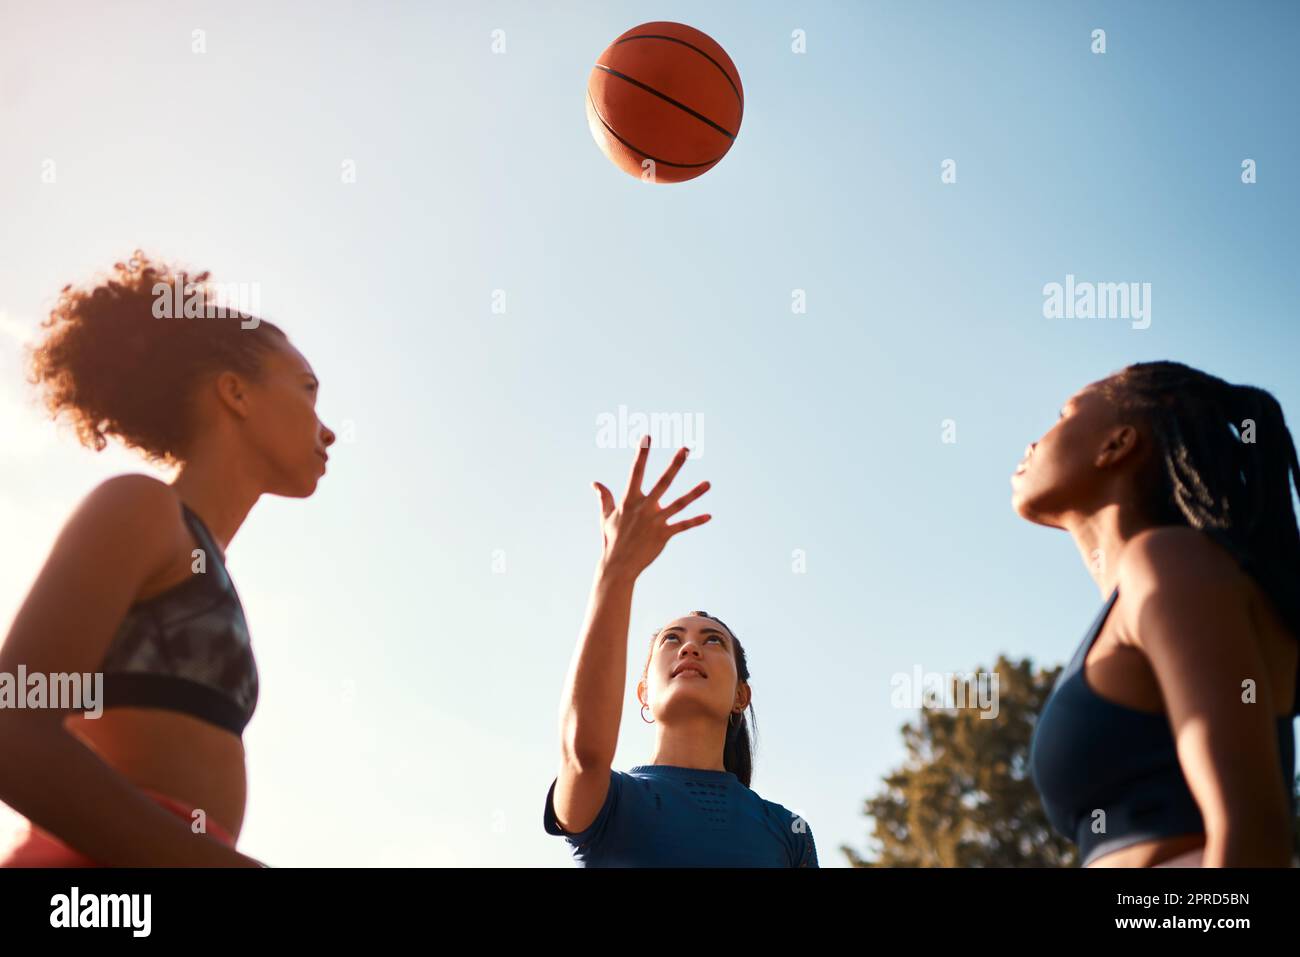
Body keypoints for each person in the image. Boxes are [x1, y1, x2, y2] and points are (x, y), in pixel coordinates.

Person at [0, 253, 334, 866]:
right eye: (308, 390)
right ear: (235, 393)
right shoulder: (141, 507)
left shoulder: (205, 562)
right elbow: (11, 727)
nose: (327, 428)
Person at [1021, 361, 1299, 866]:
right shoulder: (1147, 586)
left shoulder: (1170, 561)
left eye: (1064, 415)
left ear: (1117, 445)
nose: (1033, 443)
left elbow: (1255, 832)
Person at [543, 437, 818, 866]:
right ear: (643, 695)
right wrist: (616, 571)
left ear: (740, 697)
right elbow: (583, 753)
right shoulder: (608, 801)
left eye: (713, 641)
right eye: (672, 639)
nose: (690, 646)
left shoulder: (787, 832)